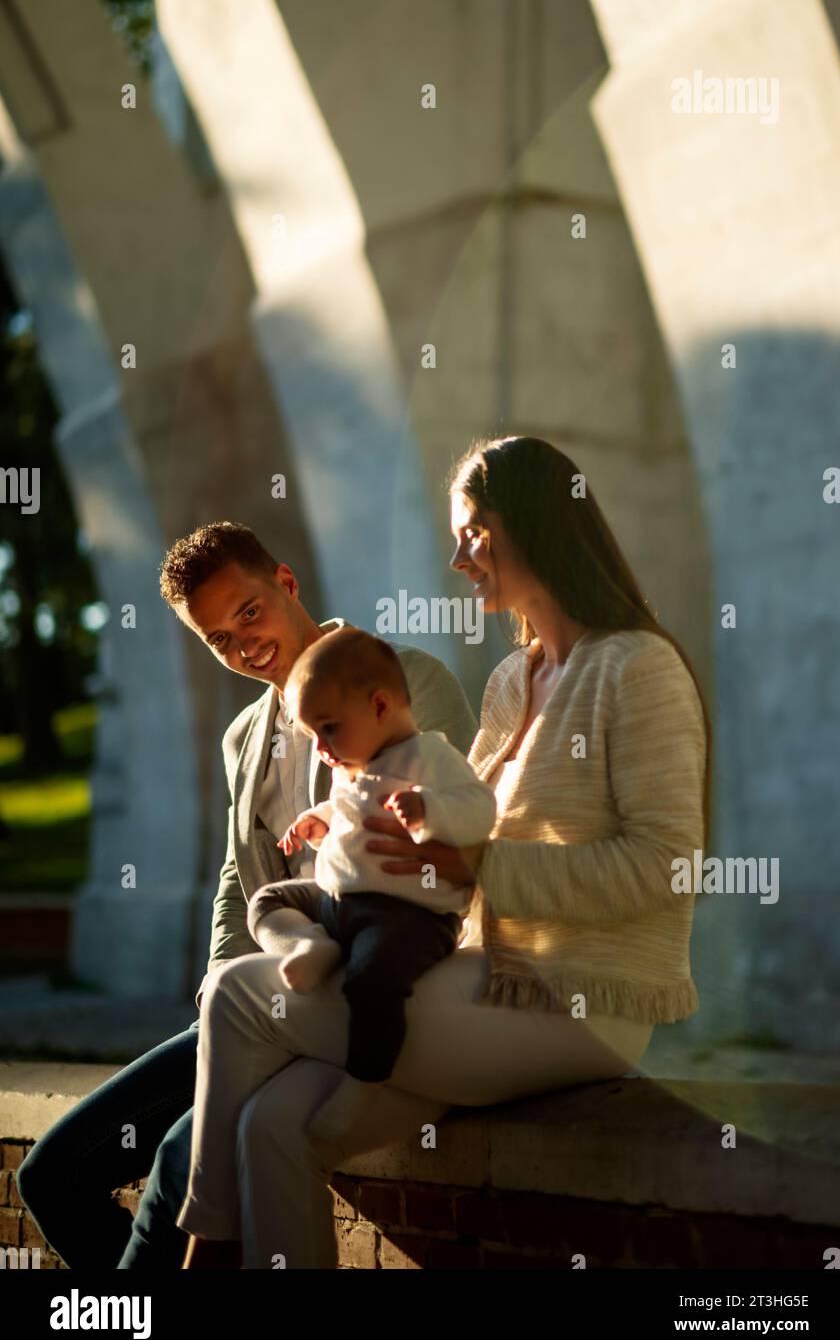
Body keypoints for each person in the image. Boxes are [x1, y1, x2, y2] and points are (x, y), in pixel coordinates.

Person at [177, 436, 712, 1270]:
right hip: (476, 983)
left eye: (472, 533)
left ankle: (203, 1248)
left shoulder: (637, 668)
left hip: (582, 1002)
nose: (457, 557)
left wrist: (474, 867)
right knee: (270, 1125)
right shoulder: (511, 679)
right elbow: (462, 832)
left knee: (240, 991)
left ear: (530, 525)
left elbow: (663, 866)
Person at [15, 522, 476, 1270]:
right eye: (218, 639)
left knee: (175, 1160)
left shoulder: (409, 681)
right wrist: (218, 978)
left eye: (250, 614)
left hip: (373, 996)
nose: (241, 646)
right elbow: (240, 877)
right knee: (51, 1175)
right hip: (259, 1000)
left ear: (287, 585)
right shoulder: (242, 737)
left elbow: (452, 854)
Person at [244, 625, 496, 1144]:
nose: (322, 750)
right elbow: (347, 811)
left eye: (328, 730)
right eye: (312, 736)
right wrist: (318, 819)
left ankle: (365, 1082)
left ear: (381, 706)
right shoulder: (352, 762)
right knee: (269, 900)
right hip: (340, 903)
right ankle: (308, 944)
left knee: (373, 981)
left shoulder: (430, 756)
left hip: (410, 916)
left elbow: (480, 810)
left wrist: (430, 812)